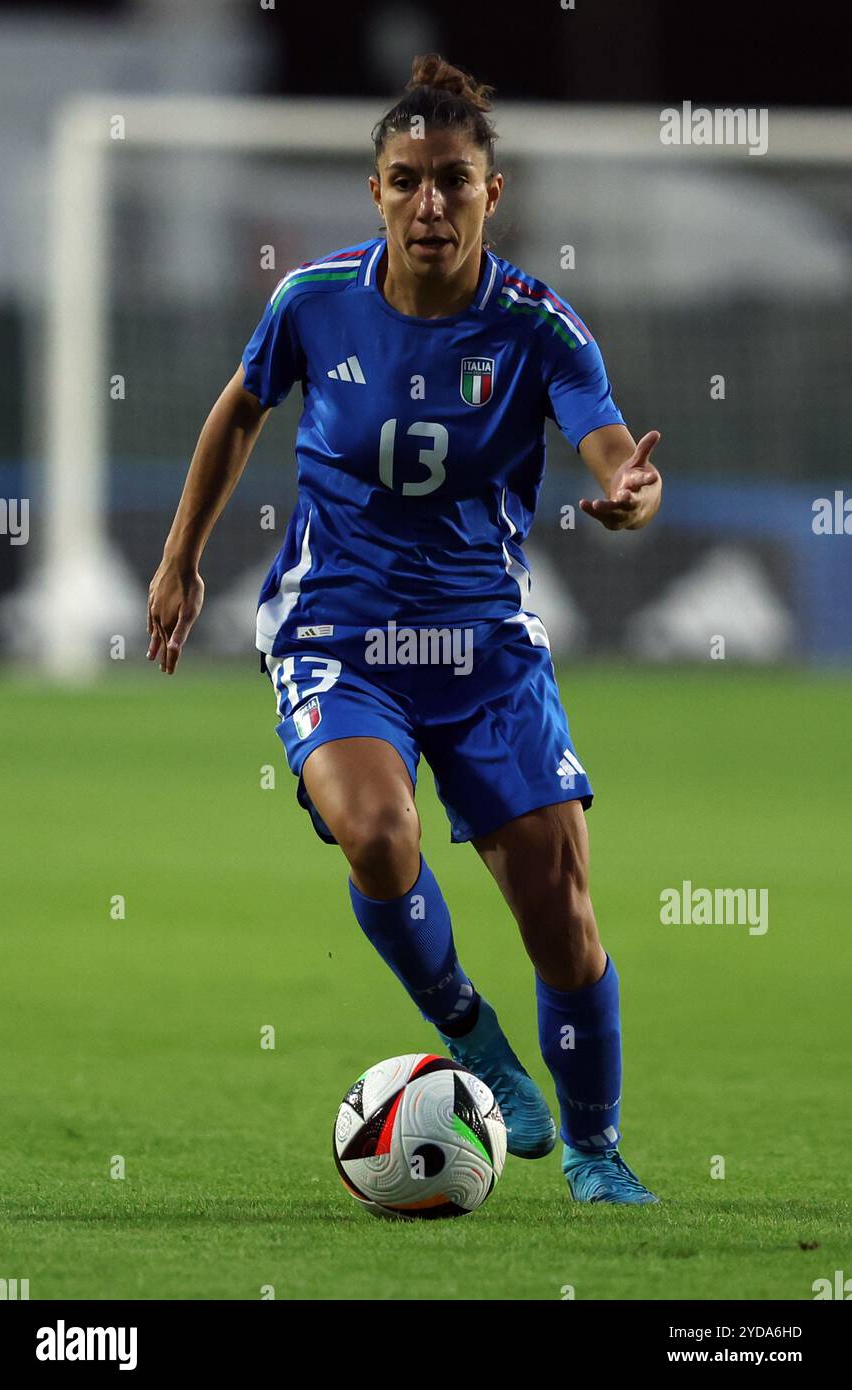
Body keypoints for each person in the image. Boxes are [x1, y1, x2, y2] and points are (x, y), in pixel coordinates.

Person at [147, 54, 663, 1204]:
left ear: (493, 193)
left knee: (560, 912)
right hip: (338, 634)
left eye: (453, 180)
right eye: (406, 180)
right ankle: (468, 1033)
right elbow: (238, 409)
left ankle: (592, 1148)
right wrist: (180, 558)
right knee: (378, 833)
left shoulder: (537, 328)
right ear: (373, 192)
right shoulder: (312, 301)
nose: (430, 202)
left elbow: (612, 454)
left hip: (483, 648)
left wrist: (630, 497)